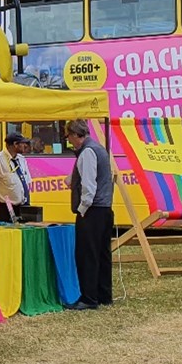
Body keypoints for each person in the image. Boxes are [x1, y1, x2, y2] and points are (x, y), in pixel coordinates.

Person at [64, 119, 113, 309]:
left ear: (76, 135)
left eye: (69, 136)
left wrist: (83, 209)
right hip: (105, 209)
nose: (68, 140)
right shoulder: (98, 149)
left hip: (92, 211)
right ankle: (104, 294)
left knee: (87, 255)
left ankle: (88, 298)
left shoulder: (87, 152)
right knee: (102, 254)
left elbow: (89, 186)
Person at [0, 132, 31, 222]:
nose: (25, 146)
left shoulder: (21, 159)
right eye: (23, 143)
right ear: (15, 144)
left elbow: (26, 181)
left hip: (23, 205)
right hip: (6, 206)